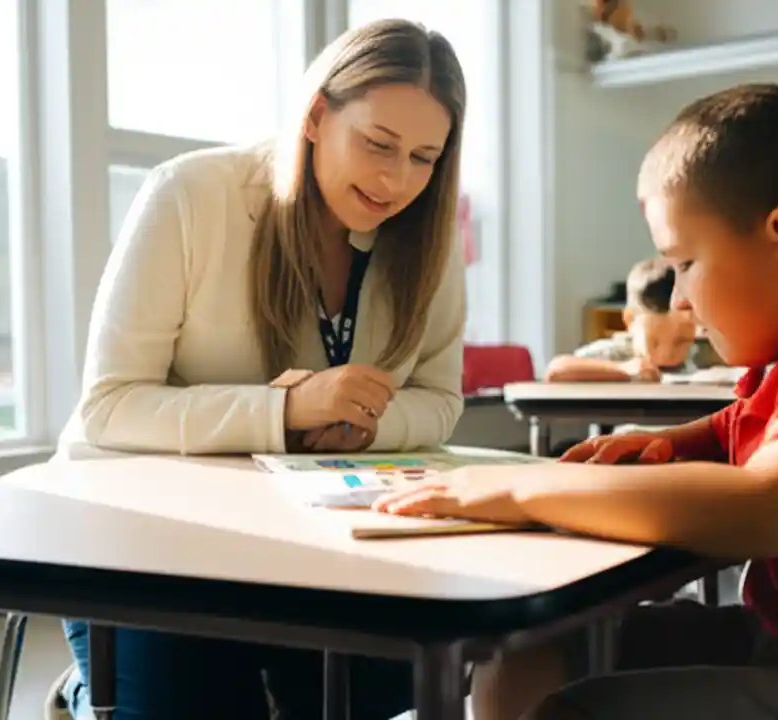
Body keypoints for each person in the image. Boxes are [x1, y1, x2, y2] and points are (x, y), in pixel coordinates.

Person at [374, 83, 778, 719]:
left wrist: (523, 490)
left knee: (580, 711)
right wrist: (679, 443)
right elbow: (741, 426)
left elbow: (770, 507)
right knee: (532, 645)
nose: (677, 300)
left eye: (685, 262)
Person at [50, 18, 467, 719]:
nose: (397, 179)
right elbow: (111, 405)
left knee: (392, 692)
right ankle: (88, 693)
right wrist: (290, 408)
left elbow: (438, 397)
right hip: (145, 541)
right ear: (314, 115)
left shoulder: (426, 238)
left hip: (317, 537)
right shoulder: (189, 194)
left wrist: (366, 423)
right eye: (377, 144)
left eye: (425, 158)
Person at [545, 257, 696, 383]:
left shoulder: (691, 362)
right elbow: (556, 370)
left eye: (681, 342)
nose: (667, 355)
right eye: (654, 342)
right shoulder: (614, 354)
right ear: (630, 321)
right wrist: (622, 369)